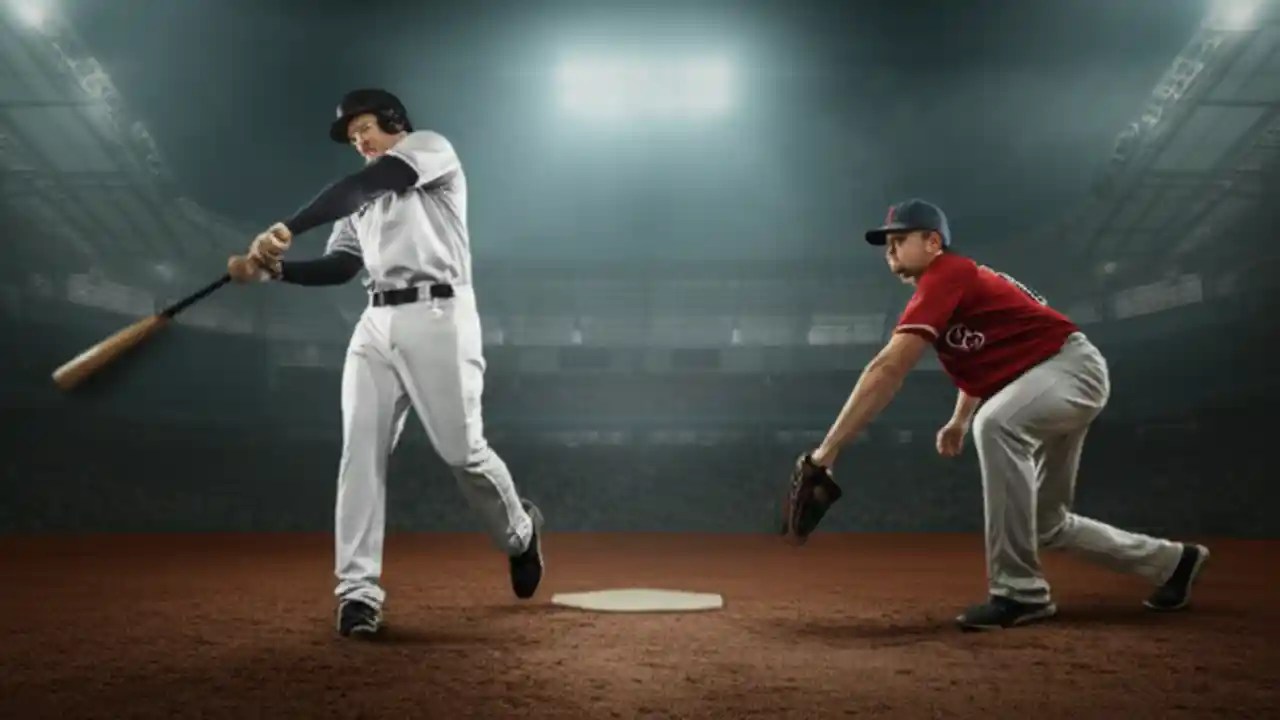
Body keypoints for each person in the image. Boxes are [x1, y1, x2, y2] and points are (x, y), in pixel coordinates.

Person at [802, 198, 1209, 630]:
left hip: (1068, 368)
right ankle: (1174, 563)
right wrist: (959, 419)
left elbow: (887, 367)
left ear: (933, 241)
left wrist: (827, 450)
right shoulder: (950, 290)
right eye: (887, 244)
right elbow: (981, 367)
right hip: (1046, 380)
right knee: (1046, 522)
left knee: (997, 424)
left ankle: (1019, 592)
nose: (890, 250)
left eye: (900, 239)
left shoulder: (947, 273)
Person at [226, 88, 544, 639]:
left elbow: (364, 184)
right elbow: (341, 266)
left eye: (365, 128)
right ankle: (357, 594)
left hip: (440, 313)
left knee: (462, 453)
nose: (360, 142)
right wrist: (279, 271)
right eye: (352, 138)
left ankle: (519, 532)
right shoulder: (363, 195)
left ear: (394, 121)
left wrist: (285, 227)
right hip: (375, 324)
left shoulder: (428, 150)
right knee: (360, 454)